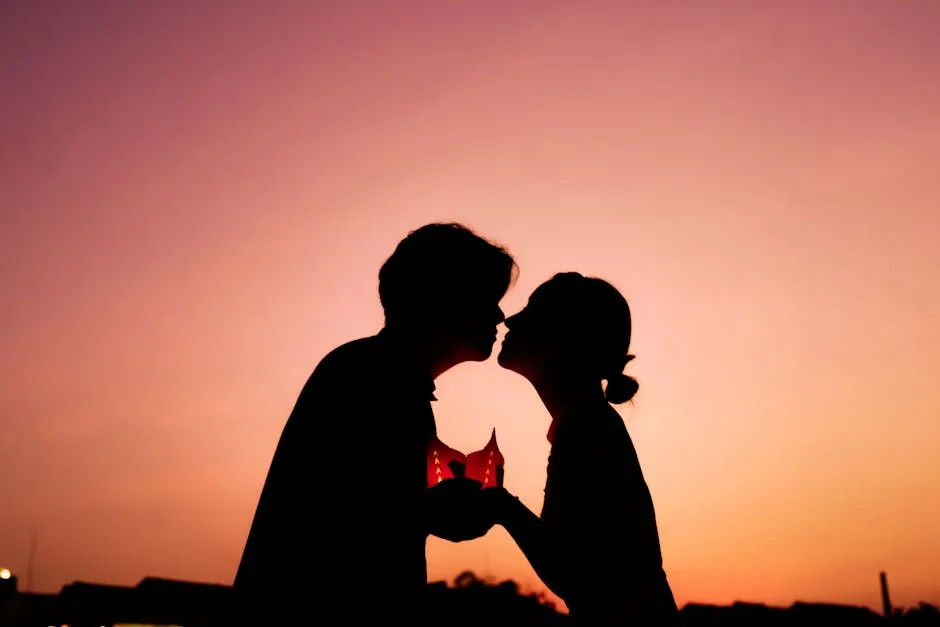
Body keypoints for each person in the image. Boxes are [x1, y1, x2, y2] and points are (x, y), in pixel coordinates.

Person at [230, 223, 517, 625]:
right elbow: (340, 516)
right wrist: (439, 509)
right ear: (441, 298)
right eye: (487, 297)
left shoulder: (379, 374)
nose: (500, 314)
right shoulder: (372, 376)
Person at [479, 272, 681, 625]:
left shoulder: (586, 430)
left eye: (533, 312)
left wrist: (500, 505)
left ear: (568, 340)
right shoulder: (587, 423)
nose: (512, 319)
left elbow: (572, 574)